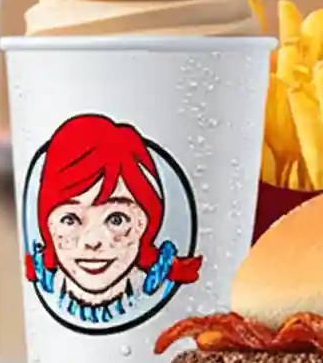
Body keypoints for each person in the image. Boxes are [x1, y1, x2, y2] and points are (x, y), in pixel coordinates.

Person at [23, 114, 202, 325]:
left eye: (116, 219)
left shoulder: (161, 288)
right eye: (70, 220)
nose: (93, 241)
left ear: (145, 225)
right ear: (47, 228)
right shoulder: (50, 286)